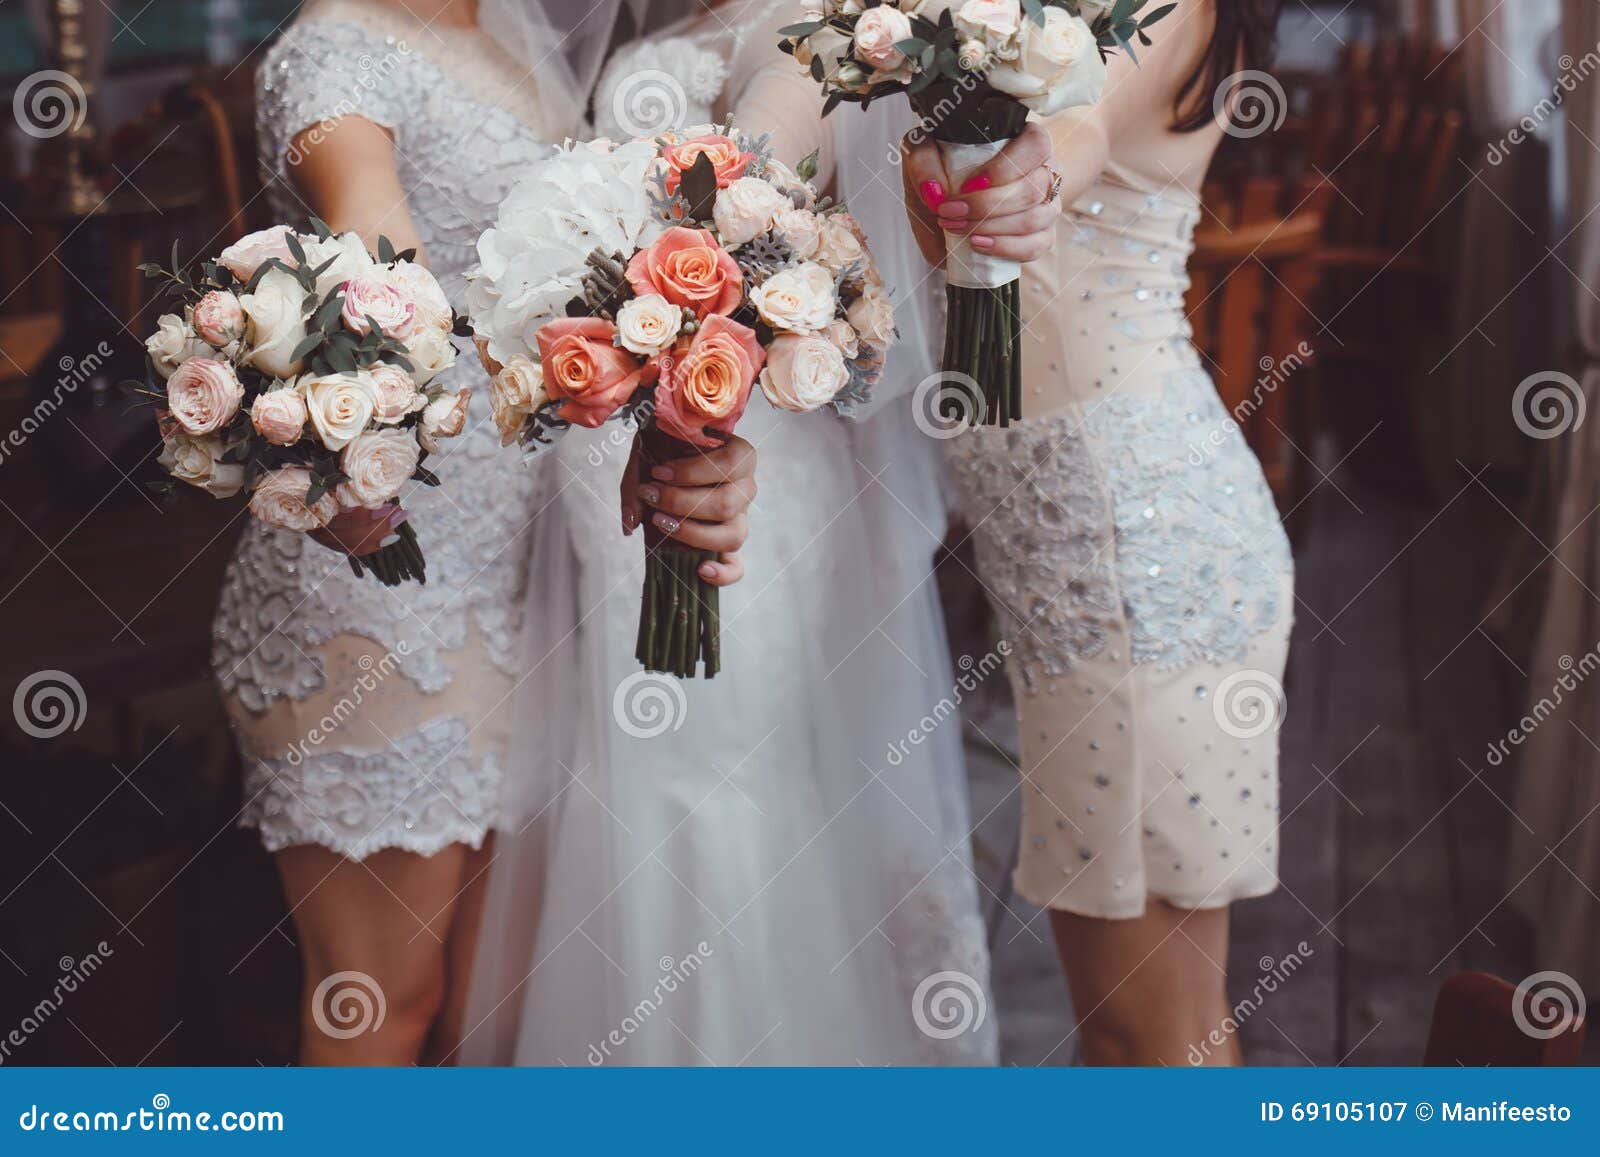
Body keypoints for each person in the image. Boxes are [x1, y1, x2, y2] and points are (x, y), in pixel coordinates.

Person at [457, 0, 1059, 1065]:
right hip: (632, 427)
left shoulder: (820, 29)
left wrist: (681, 373)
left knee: (715, 774)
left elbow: (739, 202)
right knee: (653, 769)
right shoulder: (677, 24)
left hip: (743, 440)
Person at [214, 0, 757, 1064]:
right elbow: (379, 246)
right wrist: (398, 322)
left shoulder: (506, 46)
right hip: (377, 592)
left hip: (519, 583)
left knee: (489, 1012)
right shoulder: (336, 49)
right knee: (381, 1001)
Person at [904, 0, 1292, 1066]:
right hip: (1071, 568)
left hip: (1139, 556)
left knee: (1147, 1036)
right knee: (1131, 1027)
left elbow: (1074, 133)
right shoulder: (1004, 22)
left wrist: (1029, 173)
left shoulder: (1167, 8)